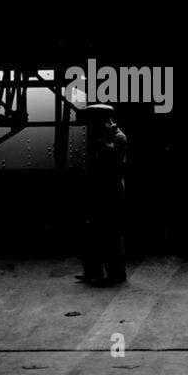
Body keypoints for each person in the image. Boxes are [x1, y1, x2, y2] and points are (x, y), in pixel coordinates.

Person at [77, 104, 127, 287]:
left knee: (110, 234)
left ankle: (116, 273)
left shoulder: (118, 137)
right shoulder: (106, 136)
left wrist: (99, 139)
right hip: (100, 188)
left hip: (111, 190)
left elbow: (110, 155)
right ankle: (93, 271)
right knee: (92, 233)